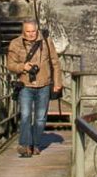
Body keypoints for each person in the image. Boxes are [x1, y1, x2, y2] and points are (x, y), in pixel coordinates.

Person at [6, 20, 63, 157]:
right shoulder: (15, 43)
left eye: (33, 31)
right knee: (25, 116)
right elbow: (10, 65)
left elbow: (55, 62)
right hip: (25, 85)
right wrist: (23, 67)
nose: (31, 34)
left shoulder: (46, 41)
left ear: (36, 30)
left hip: (44, 84)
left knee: (40, 118)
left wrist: (58, 82)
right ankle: (25, 145)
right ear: (23, 31)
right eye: (28, 31)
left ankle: (35, 144)